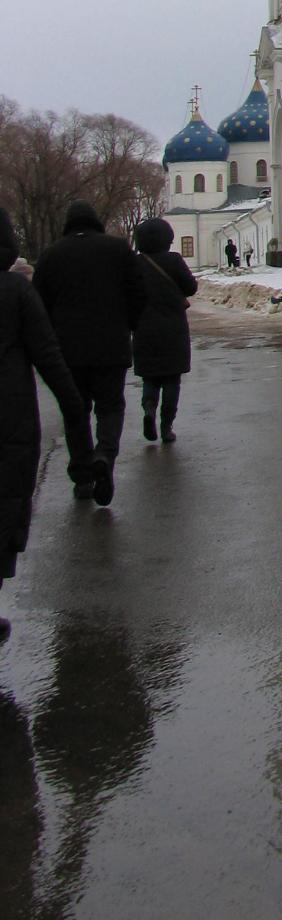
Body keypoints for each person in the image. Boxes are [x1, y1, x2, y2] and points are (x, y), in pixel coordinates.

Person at [0, 207, 99, 639]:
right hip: (9, 417)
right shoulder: (14, 292)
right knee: (5, 501)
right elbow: (46, 351)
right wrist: (73, 405)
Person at [31, 202, 145, 507]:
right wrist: (127, 324)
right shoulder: (119, 250)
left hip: (67, 351)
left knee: (75, 411)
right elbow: (138, 294)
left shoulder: (51, 255)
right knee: (110, 406)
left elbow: (37, 305)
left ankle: (82, 477)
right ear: (96, 222)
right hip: (111, 345)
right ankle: (105, 456)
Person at [131, 219, 197, 443]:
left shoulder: (134, 264)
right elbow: (191, 288)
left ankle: (149, 408)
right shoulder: (174, 261)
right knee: (171, 379)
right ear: (167, 240)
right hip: (173, 329)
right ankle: (166, 427)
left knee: (150, 378)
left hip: (143, 329)